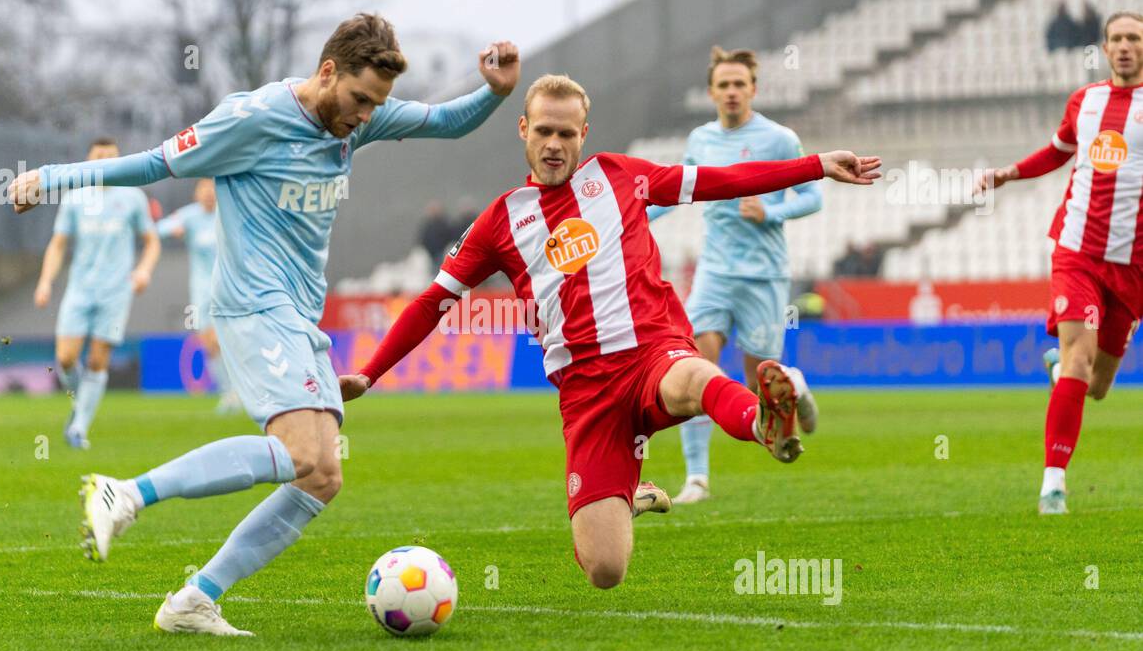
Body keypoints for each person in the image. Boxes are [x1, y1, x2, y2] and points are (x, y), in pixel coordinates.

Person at [10, 13, 520, 635]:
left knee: (323, 476)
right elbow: (151, 165)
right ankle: (127, 494)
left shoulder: (356, 121)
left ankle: (195, 598)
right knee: (300, 452)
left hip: (299, 317)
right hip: (252, 306)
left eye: (375, 105)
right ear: (328, 71)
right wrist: (55, 179)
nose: (365, 115)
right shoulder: (248, 119)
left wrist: (494, 90)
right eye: (360, 99)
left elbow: (443, 122)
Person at [339, 74, 880, 589]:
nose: (555, 144)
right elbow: (435, 301)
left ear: (583, 135)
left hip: (651, 351)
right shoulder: (501, 222)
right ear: (524, 130)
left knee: (692, 380)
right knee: (604, 570)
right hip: (587, 394)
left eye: (566, 133)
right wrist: (369, 372)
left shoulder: (622, 177)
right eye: (544, 131)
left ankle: (763, 421)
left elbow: (721, 182)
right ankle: (628, 493)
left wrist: (815, 166)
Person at [975, 11, 1143, 514]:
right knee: (1078, 359)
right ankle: (1053, 484)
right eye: (1116, 38)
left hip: (1132, 264)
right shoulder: (1084, 101)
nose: (1124, 46)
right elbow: (1057, 151)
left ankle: (1060, 374)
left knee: (1097, 386)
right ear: (1105, 46)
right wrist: (1010, 174)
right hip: (1079, 250)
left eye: (1134, 38)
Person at [648, 46, 823, 505]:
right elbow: (678, 191)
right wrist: (637, 215)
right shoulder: (700, 140)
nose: (731, 92)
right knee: (696, 371)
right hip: (714, 272)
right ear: (711, 92)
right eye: (723, 85)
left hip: (763, 275)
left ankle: (795, 384)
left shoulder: (779, 139)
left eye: (739, 85)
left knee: (754, 384)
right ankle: (697, 479)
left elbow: (812, 197)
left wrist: (771, 210)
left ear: (753, 90)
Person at [33, 137, 160, 449]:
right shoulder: (75, 197)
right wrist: (45, 281)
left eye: (111, 157)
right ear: (88, 161)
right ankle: (81, 404)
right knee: (65, 358)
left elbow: (152, 241)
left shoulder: (133, 197)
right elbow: (59, 244)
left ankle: (79, 427)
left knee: (97, 360)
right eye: (99, 156)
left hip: (116, 292)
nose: (105, 161)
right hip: (80, 289)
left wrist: (143, 270)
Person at [156, 178, 239, 413]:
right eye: (204, 191)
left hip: (231, 288)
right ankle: (229, 390)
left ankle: (240, 389)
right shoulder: (190, 216)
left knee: (228, 340)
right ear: (196, 194)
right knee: (209, 342)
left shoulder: (228, 213)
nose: (209, 195)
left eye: (212, 191)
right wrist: (174, 229)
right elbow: (157, 229)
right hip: (202, 289)